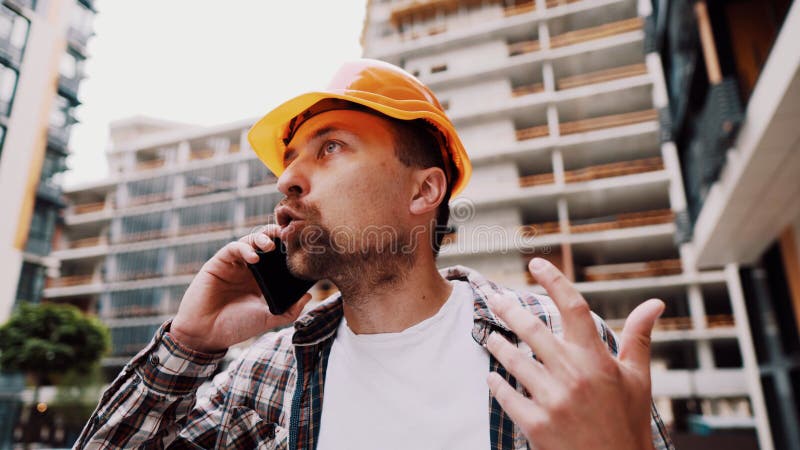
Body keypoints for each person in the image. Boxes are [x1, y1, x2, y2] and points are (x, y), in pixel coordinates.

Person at [75, 59, 673, 450]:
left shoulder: (550, 343)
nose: (288, 182)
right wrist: (191, 342)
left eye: (330, 147)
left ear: (424, 191)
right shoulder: (269, 370)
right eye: (289, 164)